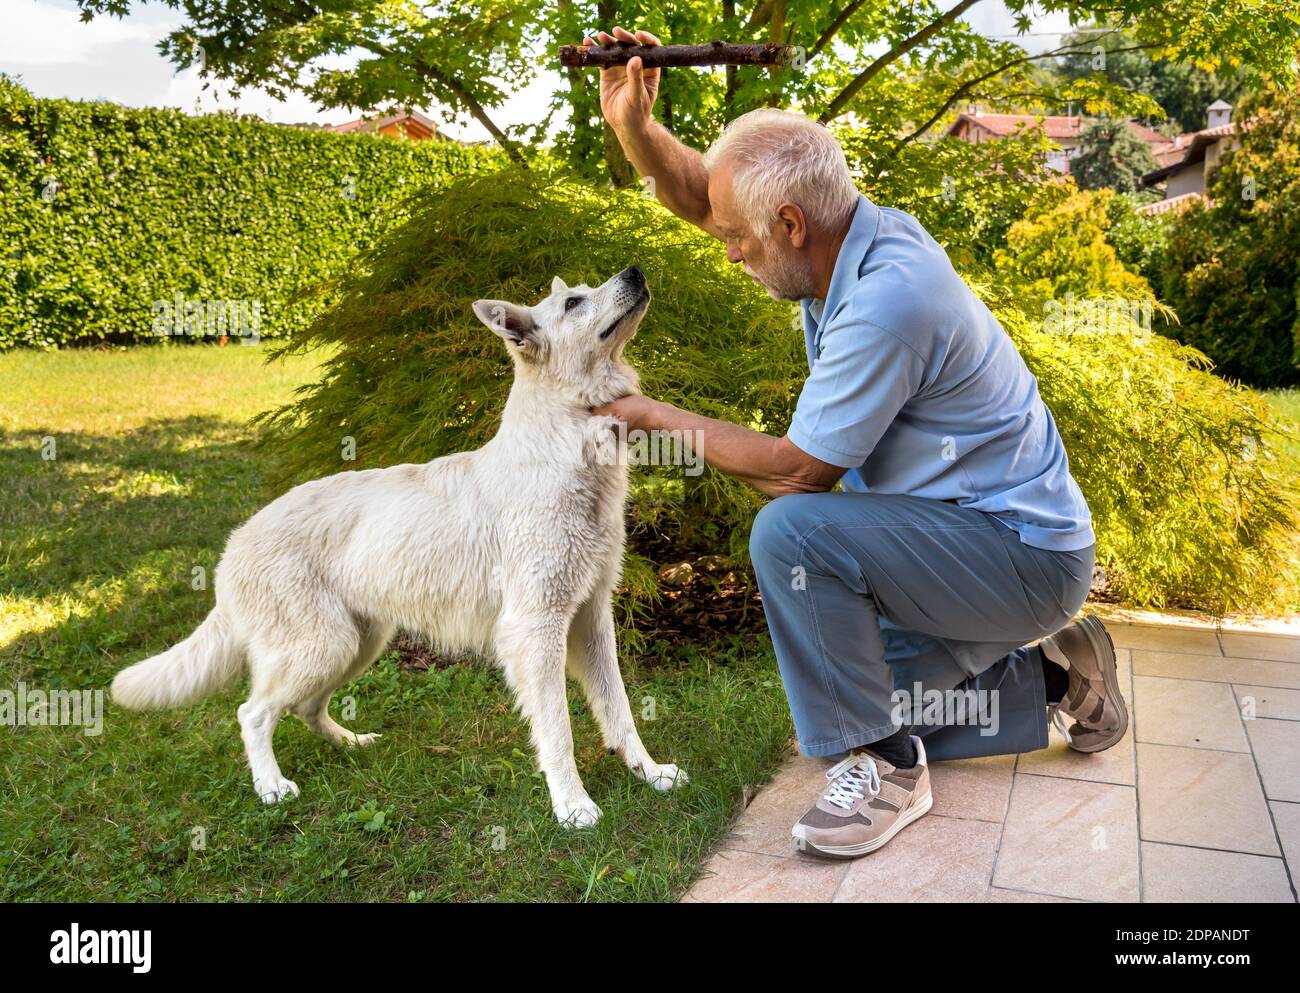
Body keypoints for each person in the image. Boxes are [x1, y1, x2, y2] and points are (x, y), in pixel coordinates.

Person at [583, 26, 1127, 860]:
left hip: (1019, 556)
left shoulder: (887, 302)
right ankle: (1066, 676)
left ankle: (889, 767)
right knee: (850, 690)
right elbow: (704, 196)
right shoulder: (845, 233)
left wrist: (651, 418)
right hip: (959, 545)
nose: (725, 249)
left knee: (791, 537)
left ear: (791, 224)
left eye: (740, 239)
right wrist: (635, 128)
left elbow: (801, 474)